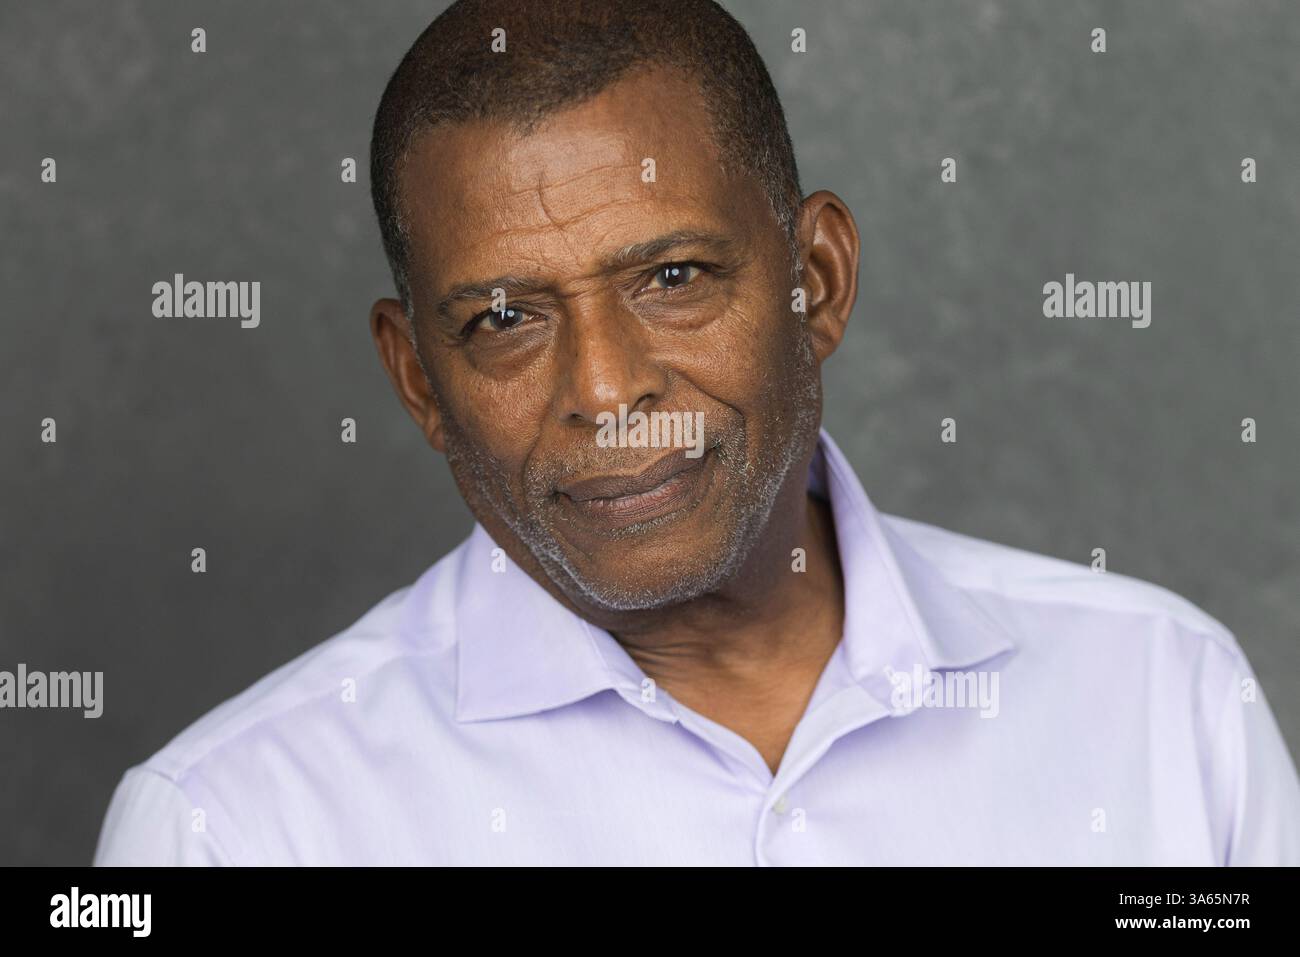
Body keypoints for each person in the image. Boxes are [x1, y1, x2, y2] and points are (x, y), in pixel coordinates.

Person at [94, 0, 1300, 865]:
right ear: (418, 379)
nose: (608, 388)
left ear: (815, 281)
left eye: (672, 276)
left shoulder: (1158, 696)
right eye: (505, 317)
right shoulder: (232, 827)